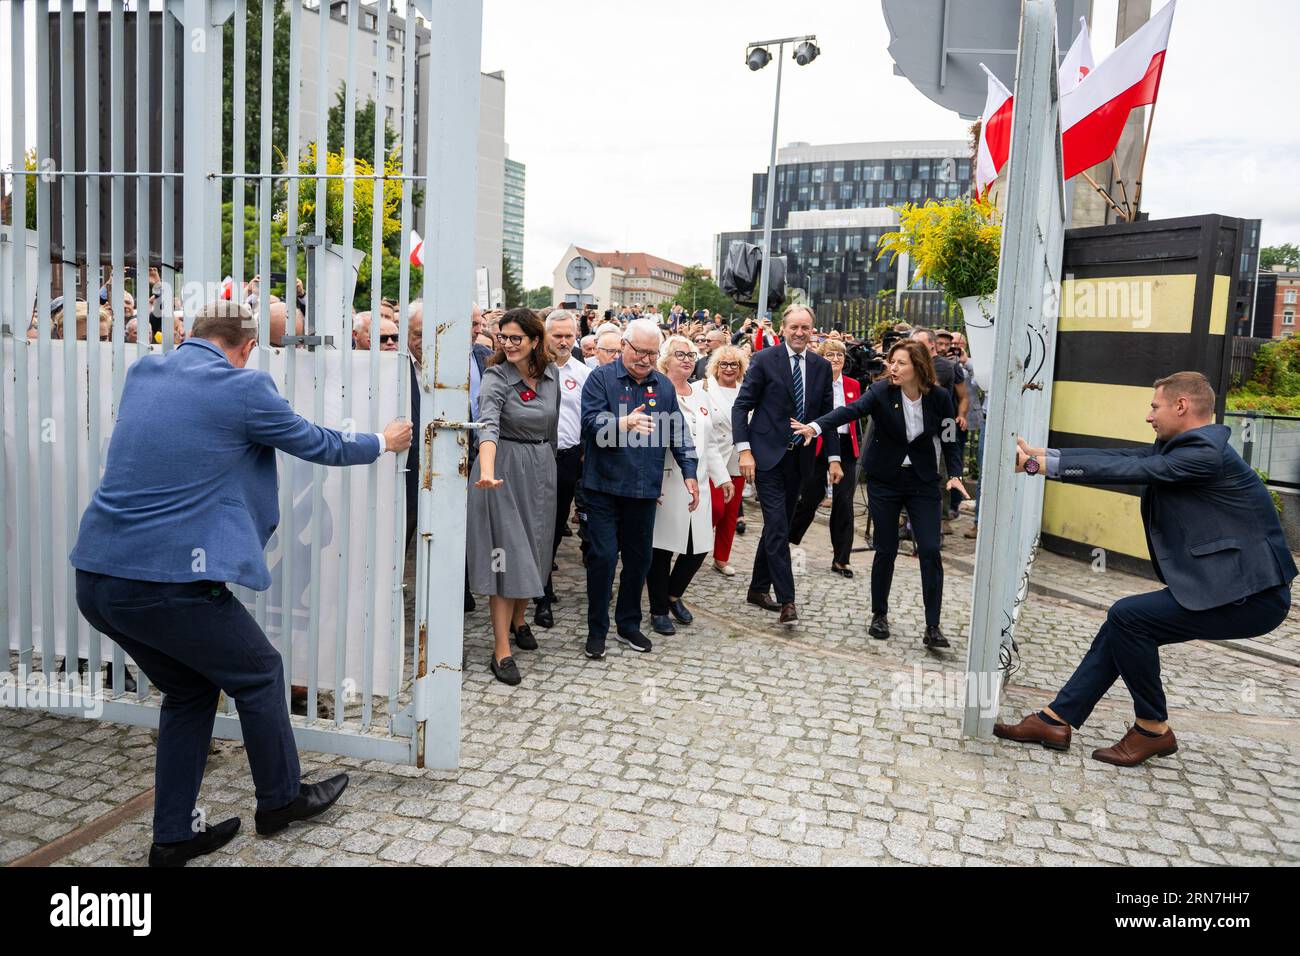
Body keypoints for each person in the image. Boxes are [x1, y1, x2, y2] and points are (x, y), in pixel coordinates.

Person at [70, 300, 412, 867]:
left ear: (190, 335)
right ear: (249, 347)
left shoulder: (144, 371)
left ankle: (173, 836)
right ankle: (281, 801)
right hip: (169, 583)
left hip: (97, 578)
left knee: (189, 690)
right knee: (260, 671)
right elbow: (318, 443)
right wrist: (383, 441)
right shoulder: (246, 388)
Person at [995, 372, 1296, 766]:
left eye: (1155, 406)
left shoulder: (1203, 454)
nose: (1149, 416)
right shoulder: (1187, 446)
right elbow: (1127, 457)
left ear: (1181, 406)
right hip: (1230, 587)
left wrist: (1037, 467)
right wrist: (1044, 457)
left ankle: (1152, 728)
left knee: (1129, 617)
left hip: (1253, 596)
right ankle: (1056, 719)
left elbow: (1132, 471)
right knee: (1123, 627)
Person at [792, 339, 966, 649]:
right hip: (885, 480)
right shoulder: (881, 392)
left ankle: (933, 626)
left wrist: (954, 474)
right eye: (891, 361)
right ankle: (879, 615)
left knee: (929, 548)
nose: (892, 367)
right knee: (885, 548)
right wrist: (815, 428)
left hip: (923, 482)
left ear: (919, 367)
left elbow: (950, 437)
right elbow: (849, 411)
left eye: (900, 363)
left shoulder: (939, 398)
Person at [580, 318, 699, 659]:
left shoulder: (662, 387)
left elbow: (678, 432)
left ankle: (628, 624)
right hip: (603, 486)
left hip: (644, 489)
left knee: (639, 560)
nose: (645, 359)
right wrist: (622, 422)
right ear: (623, 347)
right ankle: (596, 629)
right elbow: (589, 425)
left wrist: (689, 471)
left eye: (652, 353)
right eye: (640, 351)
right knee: (602, 558)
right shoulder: (600, 380)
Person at [466, 308, 558, 685]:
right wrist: (487, 469)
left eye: (516, 338)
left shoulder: (550, 376)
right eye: (503, 337)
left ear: (535, 340)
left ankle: (521, 620)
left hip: (541, 469)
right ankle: (500, 650)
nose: (507, 344)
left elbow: (553, 426)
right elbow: (486, 424)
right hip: (502, 469)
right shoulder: (495, 376)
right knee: (505, 559)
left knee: (536, 550)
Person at [732, 304, 840, 625]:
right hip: (766, 457)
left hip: (801, 460)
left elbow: (828, 419)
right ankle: (787, 601)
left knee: (777, 526)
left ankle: (757, 588)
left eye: (805, 327)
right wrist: (745, 451)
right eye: (794, 327)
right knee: (778, 526)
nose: (799, 333)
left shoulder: (821, 366)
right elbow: (742, 407)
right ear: (783, 328)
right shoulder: (765, 360)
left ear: (812, 330)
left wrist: (833, 458)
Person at [647, 336, 732, 635]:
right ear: (666, 359)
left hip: (701, 483)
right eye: (679, 354)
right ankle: (658, 609)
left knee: (698, 548)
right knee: (662, 549)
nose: (686, 359)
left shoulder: (700, 394)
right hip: (668, 481)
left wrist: (722, 477)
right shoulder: (655, 390)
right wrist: (650, 480)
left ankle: (672, 594)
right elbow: (649, 442)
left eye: (691, 354)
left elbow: (710, 443)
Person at [534, 310, 590, 629]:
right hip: (534, 456)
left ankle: (543, 580)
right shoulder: (532, 369)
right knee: (535, 524)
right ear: (545, 336)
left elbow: (588, 416)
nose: (564, 341)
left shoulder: (582, 373)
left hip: (567, 459)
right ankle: (541, 591)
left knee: (555, 526)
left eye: (569, 335)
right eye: (558, 335)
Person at [789, 339, 862, 577]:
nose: (836, 359)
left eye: (840, 355)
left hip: (845, 446)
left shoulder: (852, 384)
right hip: (817, 443)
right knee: (810, 497)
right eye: (830, 355)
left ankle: (842, 559)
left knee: (844, 501)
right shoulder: (814, 383)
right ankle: (788, 539)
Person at [703, 344, 747, 576]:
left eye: (734, 364)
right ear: (716, 366)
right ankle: (696, 547)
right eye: (724, 363)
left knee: (730, 513)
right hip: (712, 457)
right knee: (716, 508)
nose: (729, 368)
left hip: (738, 459)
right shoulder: (703, 388)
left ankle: (721, 558)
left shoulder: (747, 390)